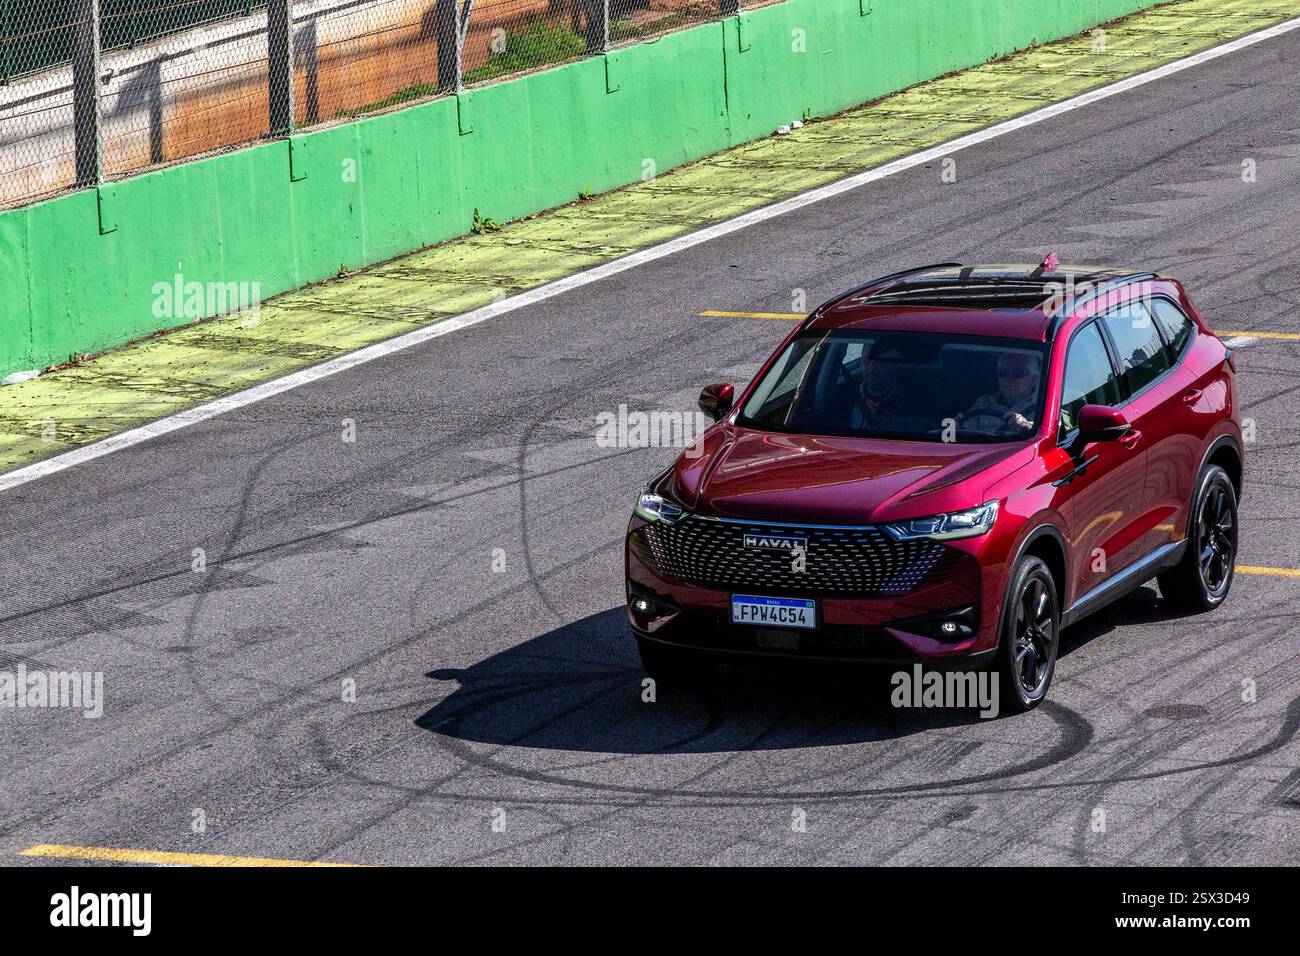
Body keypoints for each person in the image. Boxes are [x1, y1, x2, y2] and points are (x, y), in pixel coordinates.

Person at [960, 351, 1041, 436]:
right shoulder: (984, 402)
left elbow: (1043, 439)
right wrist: (956, 426)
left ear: (1034, 379)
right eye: (1003, 373)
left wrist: (1027, 428)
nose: (1009, 379)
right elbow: (966, 431)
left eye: (1018, 374)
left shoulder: (1043, 407)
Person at [850, 341, 908, 431]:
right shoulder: (846, 399)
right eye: (867, 360)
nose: (871, 368)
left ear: (893, 364)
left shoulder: (909, 403)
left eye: (879, 361)